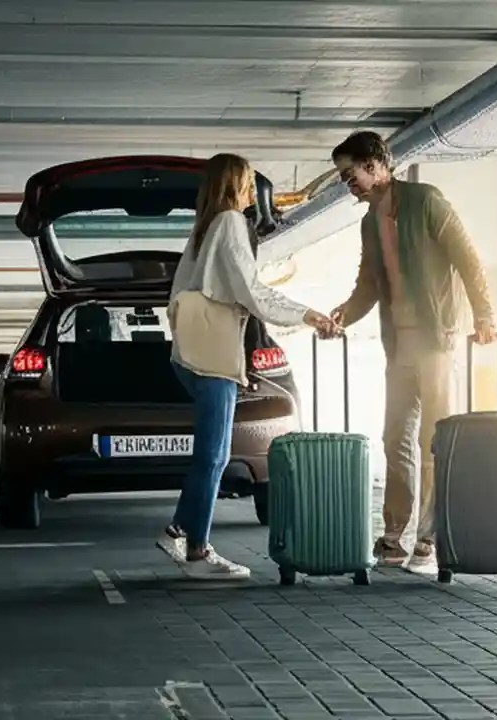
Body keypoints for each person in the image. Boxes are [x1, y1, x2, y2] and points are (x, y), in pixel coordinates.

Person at [159, 153, 341, 580]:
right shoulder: (230, 223)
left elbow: (192, 290)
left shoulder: (204, 228)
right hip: (214, 355)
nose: (251, 191)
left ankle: (179, 529)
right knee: (214, 455)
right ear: (236, 185)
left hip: (191, 353)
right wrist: (307, 315)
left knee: (212, 453)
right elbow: (251, 291)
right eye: (248, 182)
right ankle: (198, 553)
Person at [328, 131, 497, 573]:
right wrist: (342, 316)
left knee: (434, 442)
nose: (349, 184)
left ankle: (428, 541)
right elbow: (367, 284)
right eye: (344, 177)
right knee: (395, 439)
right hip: (398, 347)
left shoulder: (426, 202)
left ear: (376, 165)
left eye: (351, 174)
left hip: (436, 341)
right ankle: (392, 539)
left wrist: (484, 315)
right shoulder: (369, 223)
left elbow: (467, 259)